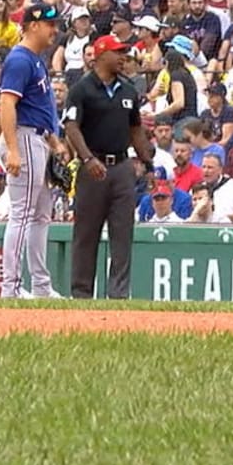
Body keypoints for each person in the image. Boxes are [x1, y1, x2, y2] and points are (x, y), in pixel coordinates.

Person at [63, 34, 156, 299]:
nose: (123, 57)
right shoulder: (82, 89)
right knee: (86, 233)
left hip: (121, 166)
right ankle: (81, 293)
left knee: (122, 233)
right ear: (101, 55)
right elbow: (71, 126)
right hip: (93, 167)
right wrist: (87, 158)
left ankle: (118, 295)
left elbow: (136, 129)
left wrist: (148, 163)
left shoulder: (127, 90)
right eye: (118, 52)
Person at [0, 3, 70, 300]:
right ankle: (10, 288)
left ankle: (40, 286)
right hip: (23, 139)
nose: (55, 31)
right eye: (50, 25)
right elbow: (6, 104)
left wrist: (54, 141)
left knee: (41, 216)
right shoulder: (20, 59)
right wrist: (14, 149)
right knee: (22, 215)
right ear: (33, 25)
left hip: (38, 138)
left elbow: (38, 107)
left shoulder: (36, 60)